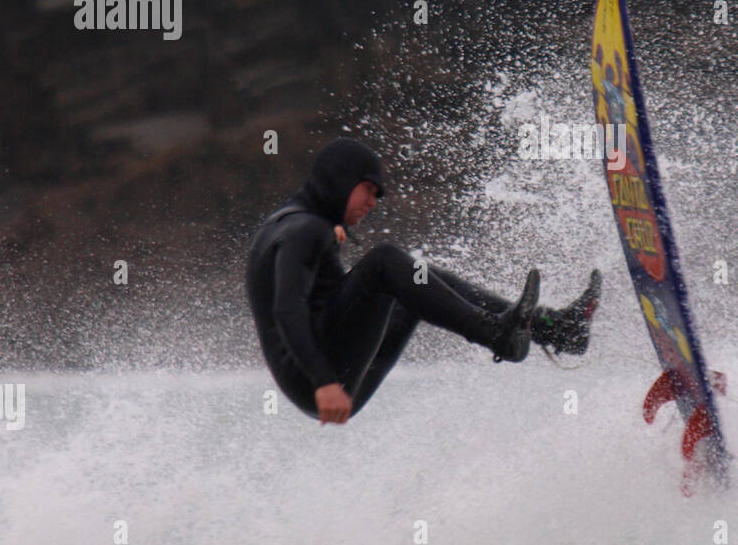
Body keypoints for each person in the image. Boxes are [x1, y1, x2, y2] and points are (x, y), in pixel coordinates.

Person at [246, 137, 601, 425]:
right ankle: (498, 335)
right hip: (318, 379)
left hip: (322, 376)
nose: (372, 202)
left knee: (417, 278)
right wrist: (324, 382)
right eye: (368, 190)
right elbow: (286, 310)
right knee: (384, 262)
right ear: (338, 179)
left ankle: (556, 329)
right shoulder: (303, 231)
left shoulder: (294, 223)